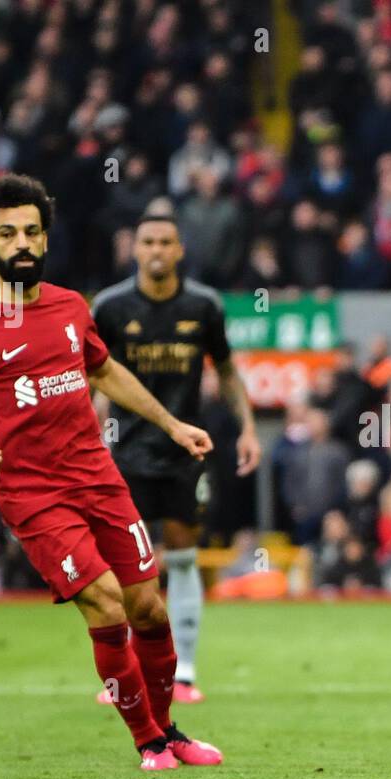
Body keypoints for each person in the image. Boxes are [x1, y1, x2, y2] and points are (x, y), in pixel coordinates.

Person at [0, 174, 223, 771]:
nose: (22, 243)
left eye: (32, 231)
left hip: (99, 477)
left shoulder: (69, 306)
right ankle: (149, 743)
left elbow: (105, 373)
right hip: (33, 495)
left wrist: (172, 425)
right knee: (106, 604)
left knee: (149, 608)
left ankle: (171, 730)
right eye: (7, 234)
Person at [91, 212, 261, 704]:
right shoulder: (111, 306)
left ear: (180, 249)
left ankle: (183, 672)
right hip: (127, 450)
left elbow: (227, 372)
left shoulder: (203, 306)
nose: (158, 250)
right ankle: (124, 674)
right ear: (135, 248)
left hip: (187, 450)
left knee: (184, 558)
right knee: (128, 566)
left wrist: (248, 427)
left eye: (166, 241)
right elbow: (92, 375)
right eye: (148, 241)